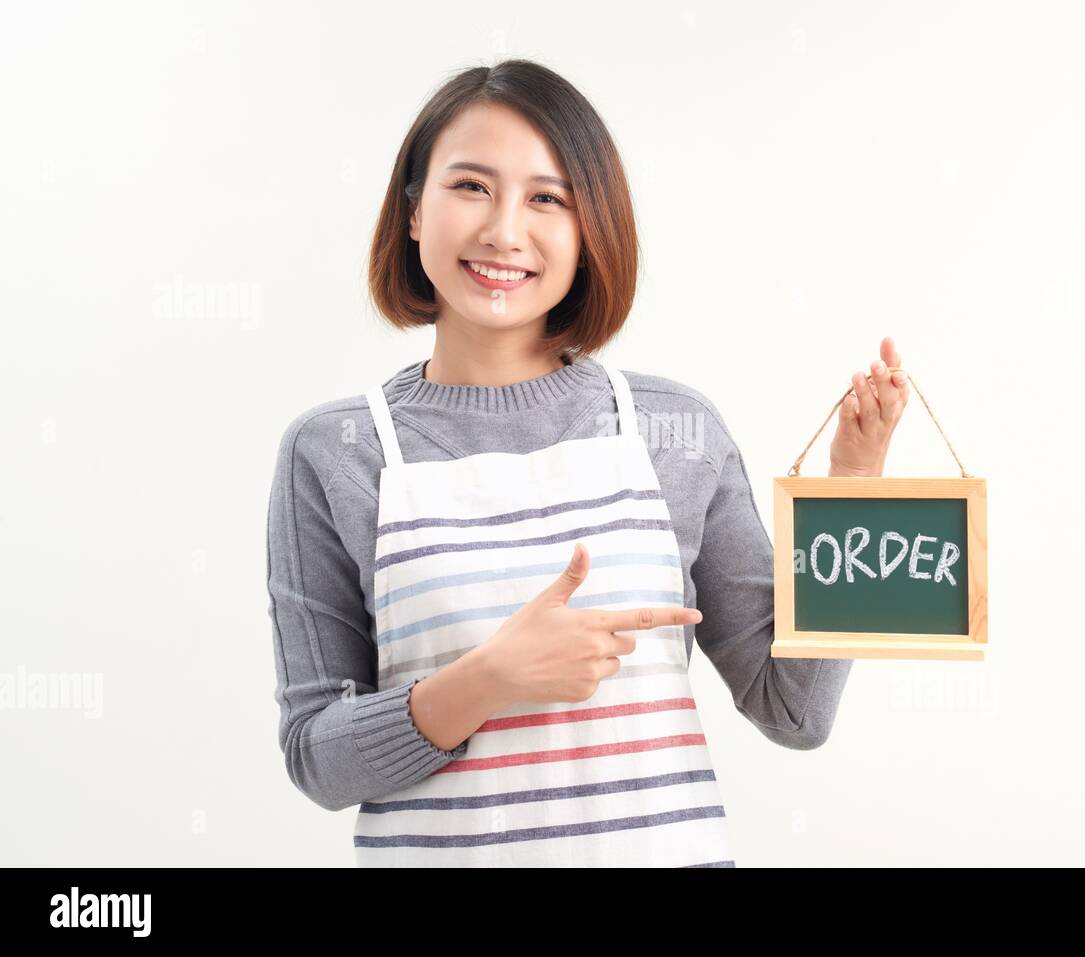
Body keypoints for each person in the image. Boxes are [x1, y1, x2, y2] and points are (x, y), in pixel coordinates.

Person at [265, 58, 910, 867]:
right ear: (414, 212)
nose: (504, 229)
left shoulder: (676, 430)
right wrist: (489, 677)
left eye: (547, 197)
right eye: (470, 186)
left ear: (589, 229)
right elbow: (315, 758)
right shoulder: (336, 451)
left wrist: (851, 489)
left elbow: (795, 712)